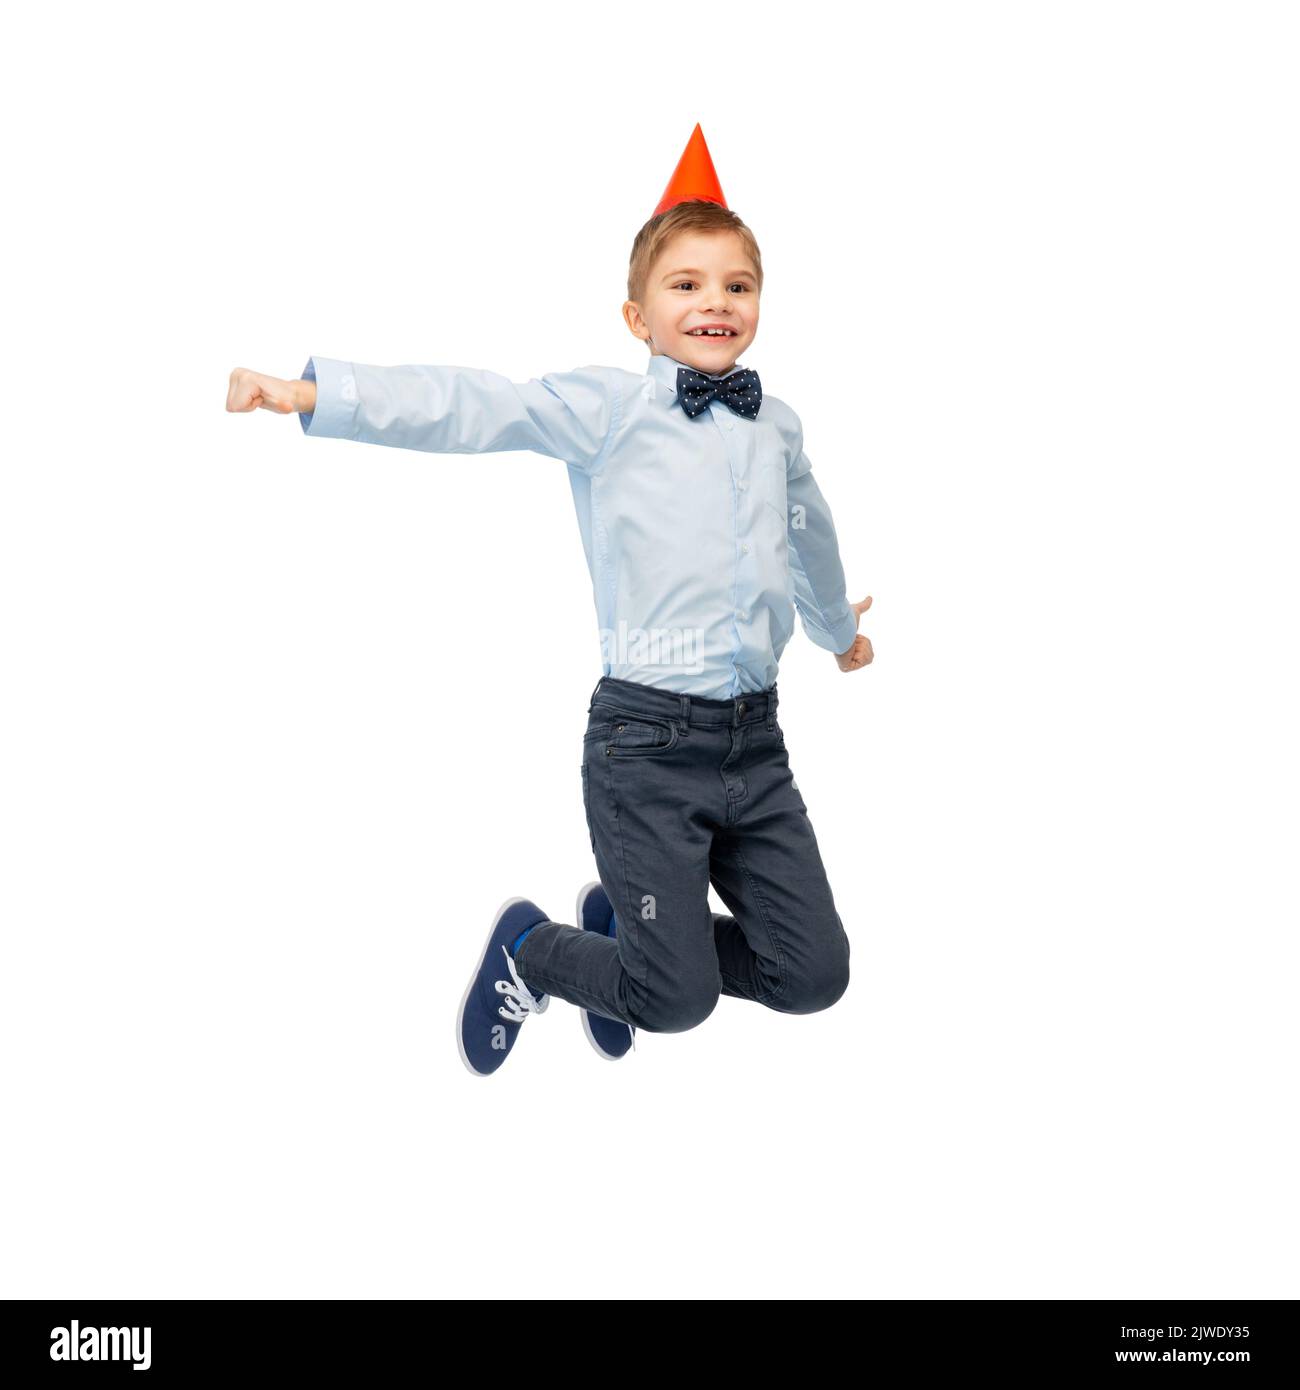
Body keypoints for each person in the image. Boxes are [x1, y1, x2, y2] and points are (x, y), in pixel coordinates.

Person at [225, 124, 874, 1077]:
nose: (714, 303)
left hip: (757, 746)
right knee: (674, 1003)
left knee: (815, 975)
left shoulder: (776, 423)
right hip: (647, 749)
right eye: (685, 285)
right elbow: (476, 405)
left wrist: (835, 633)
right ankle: (533, 952)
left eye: (737, 285)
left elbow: (809, 534)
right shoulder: (610, 411)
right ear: (636, 316)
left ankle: (632, 937)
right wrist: (318, 394)